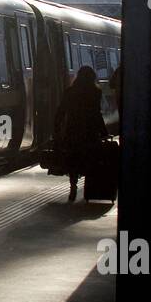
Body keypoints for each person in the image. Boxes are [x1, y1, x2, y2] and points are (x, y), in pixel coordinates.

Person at [55, 65, 109, 202]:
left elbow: (61, 111)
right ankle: (87, 191)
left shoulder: (69, 91)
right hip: (89, 132)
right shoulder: (95, 92)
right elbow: (96, 114)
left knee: (73, 160)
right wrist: (104, 132)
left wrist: (56, 130)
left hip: (72, 131)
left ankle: (73, 186)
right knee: (89, 160)